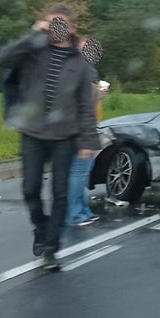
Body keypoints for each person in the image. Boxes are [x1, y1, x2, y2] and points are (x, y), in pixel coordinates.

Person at [0, 5, 98, 270]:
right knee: (30, 189)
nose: (56, 29)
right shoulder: (33, 50)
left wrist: (88, 140)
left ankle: (51, 249)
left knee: (60, 193)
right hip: (33, 131)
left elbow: (86, 103)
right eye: (51, 23)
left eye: (61, 24)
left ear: (72, 28)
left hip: (65, 134)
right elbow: (4, 58)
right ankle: (40, 230)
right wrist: (32, 35)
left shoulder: (80, 58)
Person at [66, 37, 107, 230]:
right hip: (81, 129)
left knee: (83, 173)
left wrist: (97, 95)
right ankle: (74, 214)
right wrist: (96, 95)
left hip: (89, 127)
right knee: (78, 173)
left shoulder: (87, 70)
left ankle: (82, 210)